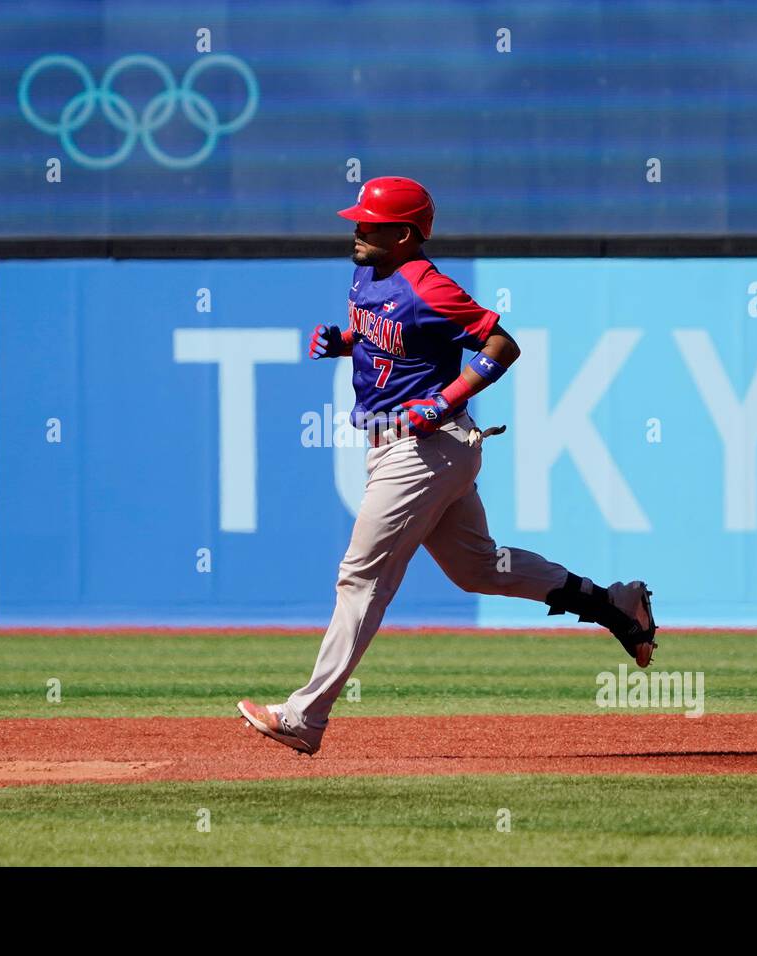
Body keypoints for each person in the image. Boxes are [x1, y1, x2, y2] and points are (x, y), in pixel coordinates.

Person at [238, 177, 656, 754]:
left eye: (369, 224)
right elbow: (383, 332)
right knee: (478, 569)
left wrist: (448, 396)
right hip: (403, 447)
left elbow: (502, 345)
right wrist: (346, 341)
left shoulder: (429, 285)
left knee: (360, 579)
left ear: (405, 234)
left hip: (426, 447)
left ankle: (305, 717)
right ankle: (612, 602)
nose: (356, 231)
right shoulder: (367, 272)